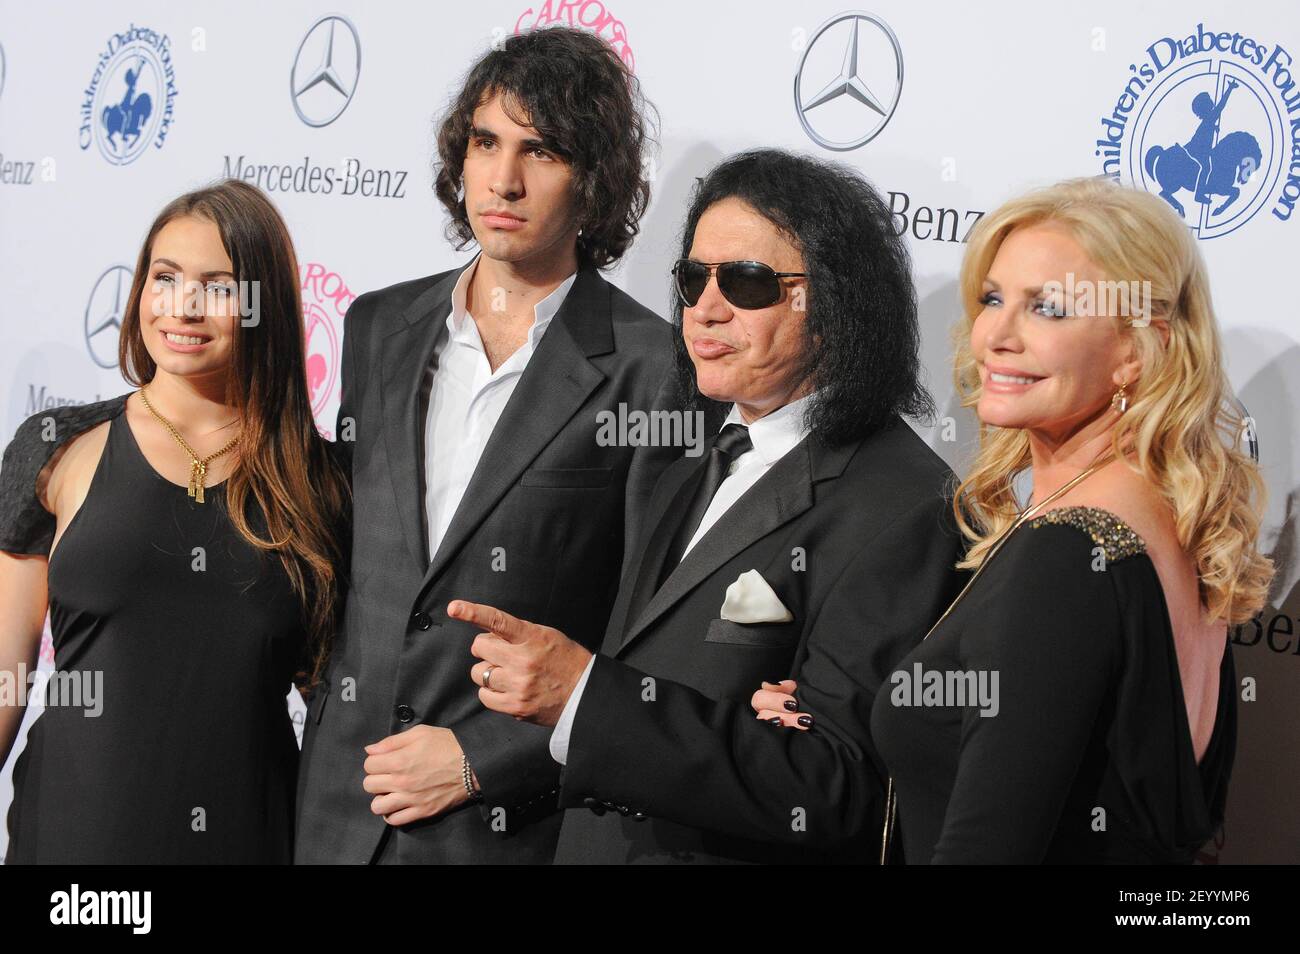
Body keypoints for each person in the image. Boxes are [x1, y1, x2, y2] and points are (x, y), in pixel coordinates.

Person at [449, 149, 967, 864]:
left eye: (748, 283)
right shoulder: (680, 449)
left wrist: (585, 695)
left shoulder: (906, 506)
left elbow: (833, 789)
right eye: (694, 279)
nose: (706, 309)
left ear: (837, 299)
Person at [763, 177, 1273, 863]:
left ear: (1135, 350)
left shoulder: (1067, 554)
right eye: (994, 298)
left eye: (1050, 309)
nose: (996, 336)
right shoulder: (1171, 533)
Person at [294, 26, 679, 865]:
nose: (503, 180)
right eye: (485, 142)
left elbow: (643, 629)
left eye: (540, 151)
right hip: (333, 804)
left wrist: (483, 762)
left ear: (595, 180)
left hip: (504, 827)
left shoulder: (654, 368)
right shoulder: (377, 325)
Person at [0, 178, 348, 863]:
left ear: (261, 307)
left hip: (247, 840)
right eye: (165, 277)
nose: (182, 307)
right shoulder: (57, 448)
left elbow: (340, 707)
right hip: (73, 847)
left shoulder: (321, 482)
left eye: (217, 285)